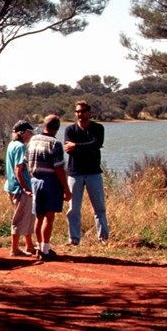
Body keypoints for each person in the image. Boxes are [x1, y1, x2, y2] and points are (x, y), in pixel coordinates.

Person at [64, 100, 110, 245]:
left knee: (99, 207)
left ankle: (103, 238)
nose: (80, 114)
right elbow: (67, 148)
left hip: (93, 172)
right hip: (74, 172)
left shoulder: (98, 128)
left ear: (89, 113)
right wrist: (85, 147)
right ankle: (74, 239)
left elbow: (96, 144)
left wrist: (76, 146)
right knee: (73, 209)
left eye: (83, 111)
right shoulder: (70, 130)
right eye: (77, 111)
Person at [27, 114, 71, 261]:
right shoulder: (55, 144)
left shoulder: (33, 140)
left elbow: (26, 162)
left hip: (35, 180)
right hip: (50, 181)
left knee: (39, 216)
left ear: (43, 125)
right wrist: (66, 188)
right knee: (49, 217)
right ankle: (45, 249)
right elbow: (58, 168)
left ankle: (39, 247)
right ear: (57, 128)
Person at [4, 120, 36, 257]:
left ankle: (29, 245)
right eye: (29, 132)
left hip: (11, 186)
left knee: (27, 216)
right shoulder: (21, 147)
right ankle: (14, 249)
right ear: (22, 133)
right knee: (19, 218)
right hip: (19, 188)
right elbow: (18, 169)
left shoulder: (12, 144)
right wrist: (25, 188)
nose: (30, 135)